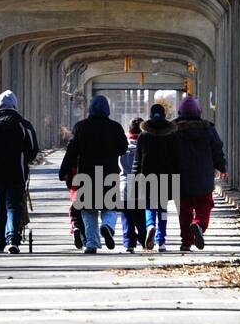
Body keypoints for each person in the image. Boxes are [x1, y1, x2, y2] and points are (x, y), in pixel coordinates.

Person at [59, 95, 127, 253]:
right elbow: (123, 147)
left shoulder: (81, 127)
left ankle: (91, 243)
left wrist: (64, 170)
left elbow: (72, 151)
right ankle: (107, 227)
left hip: (87, 174)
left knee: (88, 210)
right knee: (109, 207)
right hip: (109, 173)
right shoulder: (115, 127)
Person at [0, 90, 38, 254]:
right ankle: (13, 239)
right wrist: (24, 162)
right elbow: (32, 149)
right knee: (14, 206)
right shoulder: (22, 124)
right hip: (17, 172)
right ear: (15, 105)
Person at [173, 95, 227, 251]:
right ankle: (198, 224)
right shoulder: (207, 128)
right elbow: (217, 149)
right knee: (204, 205)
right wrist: (222, 167)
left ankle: (186, 242)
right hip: (203, 175)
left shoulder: (173, 129)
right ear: (199, 111)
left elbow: (168, 153)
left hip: (181, 176)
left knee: (184, 210)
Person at [135, 103, 179, 251]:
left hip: (147, 176)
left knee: (149, 205)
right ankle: (161, 241)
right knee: (163, 209)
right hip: (167, 177)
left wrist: (136, 178)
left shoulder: (144, 135)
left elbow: (137, 160)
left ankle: (150, 225)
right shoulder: (172, 134)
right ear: (164, 114)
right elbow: (176, 158)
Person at [118, 119, 146, 252]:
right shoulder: (146, 146)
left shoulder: (123, 147)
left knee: (127, 216)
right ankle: (144, 239)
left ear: (129, 131)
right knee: (141, 215)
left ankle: (129, 243)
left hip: (125, 185)